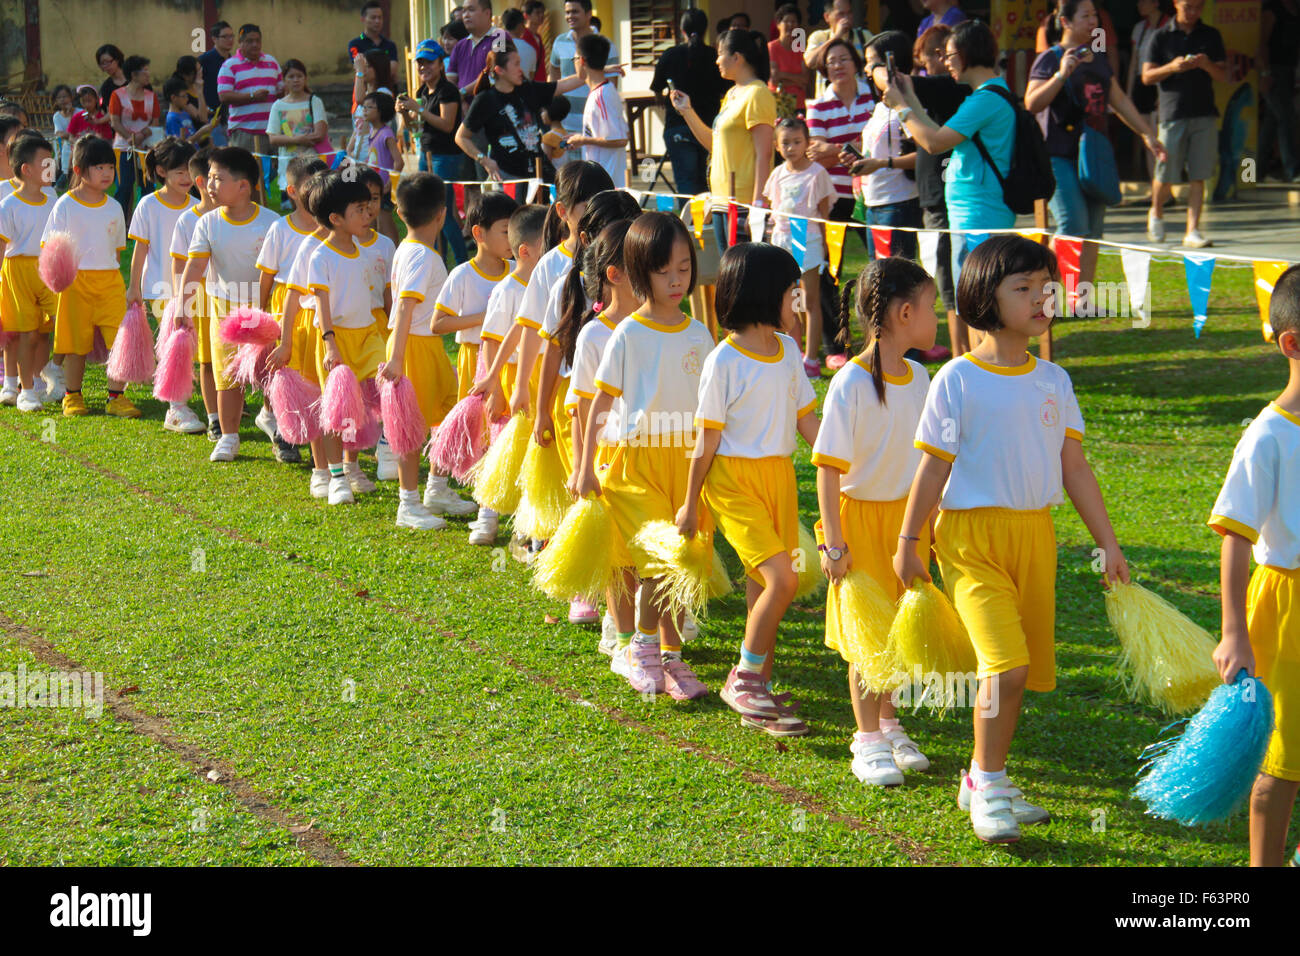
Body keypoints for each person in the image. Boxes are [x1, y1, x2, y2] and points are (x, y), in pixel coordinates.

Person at [894, 235, 1129, 844]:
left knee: (1019, 671)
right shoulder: (956, 379)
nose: (1040, 296)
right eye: (1022, 287)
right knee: (1006, 665)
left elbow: (1075, 468)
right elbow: (933, 469)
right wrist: (908, 539)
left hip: (1034, 536)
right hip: (970, 539)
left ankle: (981, 776)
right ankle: (990, 783)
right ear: (983, 297)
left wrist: (1109, 543)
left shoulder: (1054, 379)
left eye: (1045, 284)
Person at [679, 242, 820, 732]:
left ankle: (757, 688)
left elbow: (808, 420)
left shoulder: (788, 351)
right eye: (792, 294)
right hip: (733, 481)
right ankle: (743, 678)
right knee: (785, 580)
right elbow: (706, 438)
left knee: (764, 584)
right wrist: (689, 502)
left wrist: (844, 465)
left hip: (778, 477)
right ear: (766, 295)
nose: (798, 303)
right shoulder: (724, 360)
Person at [573, 213, 715, 699]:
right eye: (663, 271)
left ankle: (673, 660)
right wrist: (583, 467)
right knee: (657, 562)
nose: (677, 281)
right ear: (637, 274)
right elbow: (599, 405)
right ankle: (642, 647)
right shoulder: (627, 335)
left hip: (687, 465)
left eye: (684, 268)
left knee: (680, 565)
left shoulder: (700, 335)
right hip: (636, 466)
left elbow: (713, 410)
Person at [814, 257, 938, 784]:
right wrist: (834, 545)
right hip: (858, 524)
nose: (939, 316)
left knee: (898, 630)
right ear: (905, 313)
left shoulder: (923, 376)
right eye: (933, 307)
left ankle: (888, 722)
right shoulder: (850, 382)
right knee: (868, 638)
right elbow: (827, 469)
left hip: (909, 522)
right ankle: (866, 739)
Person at [1208, 263, 1300, 867]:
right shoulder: (1267, 436)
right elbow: (1236, 537)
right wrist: (1235, 631)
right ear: (1293, 344)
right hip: (1286, 611)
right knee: (1283, 759)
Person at [1025, 0, 1165, 313]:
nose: (1092, 21)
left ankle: (1081, 302)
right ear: (1065, 21)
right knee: (1073, 223)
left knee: (1094, 230)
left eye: (1095, 15)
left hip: (1094, 154)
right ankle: (1049, 299)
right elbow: (1032, 103)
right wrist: (1061, 75)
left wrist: (1147, 135)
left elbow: (1120, 101)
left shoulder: (1099, 59)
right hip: (1058, 155)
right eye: (1086, 15)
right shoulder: (1050, 59)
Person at [884, 21, 1015, 302]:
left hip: (978, 214)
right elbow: (935, 132)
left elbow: (932, 143)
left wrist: (900, 107)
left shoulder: (984, 101)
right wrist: (909, 97)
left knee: (979, 300)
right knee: (973, 298)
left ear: (967, 54)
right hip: (973, 212)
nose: (946, 62)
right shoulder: (986, 96)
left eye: (950, 55)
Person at [178, 146, 279, 463]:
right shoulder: (207, 223)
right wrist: (183, 305)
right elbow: (194, 267)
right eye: (209, 177)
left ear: (244, 186)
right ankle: (228, 436)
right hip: (223, 310)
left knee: (270, 372)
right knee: (227, 376)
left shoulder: (272, 223)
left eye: (218, 178)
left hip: (264, 309)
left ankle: (275, 424)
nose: (209, 185)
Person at [382, 172, 464, 530]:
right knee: (411, 428)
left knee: (445, 416)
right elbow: (403, 307)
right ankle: (408, 504)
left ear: (400, 213)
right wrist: (398, 359)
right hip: (411, 347)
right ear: (442, 214)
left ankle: (437, 488)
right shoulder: (422, 257)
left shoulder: (412, 250)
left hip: (425, 347)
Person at [298, 172, 384, 503]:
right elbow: (321, 304)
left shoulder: (363, 249)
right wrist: (330, 341)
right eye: (359, 209)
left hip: (369, 336)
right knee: (336, 410)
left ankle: (384, 451)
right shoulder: (321, 256)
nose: (368, 215)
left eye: (369, 207)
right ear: (335, 218)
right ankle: (336, 476)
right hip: (337, 339)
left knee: (388, 386)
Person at [42, 134, 133, 418]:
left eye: (110, 167)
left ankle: (116, 396)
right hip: (75, 284)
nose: (107, 173)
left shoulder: (115, 207)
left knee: (118, 340)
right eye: (99, 167)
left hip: (110, 283)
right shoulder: (65, 206)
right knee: (75, 342)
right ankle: (73, 395)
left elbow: (118, 252)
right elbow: (51, 249)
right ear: (79, 170)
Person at [670, 29, 776, 252]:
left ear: (736, 57)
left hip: (743, 203)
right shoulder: (732, 94)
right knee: (730, 276)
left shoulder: (758, 94)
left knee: (744, 276)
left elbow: (764, 154)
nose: (716, 60)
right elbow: (714, 145)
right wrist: (687, 111)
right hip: (721, 201)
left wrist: (758, 205)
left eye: (720, 54)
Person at [125, 137, 202, 431]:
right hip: (159, 287)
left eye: (189, 172)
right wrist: (133, 286)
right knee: (174, 343)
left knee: (191, 345)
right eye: (179, 172)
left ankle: (196, 398)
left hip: (192, 289)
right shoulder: (148, 205)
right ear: (161, 172)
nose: (186, 178)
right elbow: (140, 249)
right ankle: (176, 408)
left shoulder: (198, 208)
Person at [258, 154, 328, 461]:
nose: (317, 192)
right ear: (292, 191)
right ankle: (284, 432)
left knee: (314, 373)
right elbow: (267, 275)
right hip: (286, 305)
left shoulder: (335, 229)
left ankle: (317, 437)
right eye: (310, 186)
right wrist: (260, 318)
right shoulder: (280, 228)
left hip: (319, 307)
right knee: (286, 371)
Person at [1142, 0, 1226, 249]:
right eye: (1188, 6)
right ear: (1176, 4)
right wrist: (1172, 66)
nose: (1193, 12)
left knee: (1199, 174)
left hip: (1204, 111)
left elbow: (1223, 74)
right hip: (1172, 111)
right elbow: (1146, 76)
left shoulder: (1210, 35)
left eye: (1198, 7)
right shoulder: (1160, 36)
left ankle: (1193, 229)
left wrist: (1205, 64)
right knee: (1165, 170)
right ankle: (1156, 213)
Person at [764, 118, 835, 378]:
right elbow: (774, 210)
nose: (791, 148)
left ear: (807, 142)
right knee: (788, 300)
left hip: (809, 240)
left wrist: (827, 247)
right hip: (782, 241)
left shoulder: (817, 174)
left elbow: (825, 215)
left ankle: (812, 359)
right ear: (777, 146)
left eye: (797, 142)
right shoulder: (777, 174)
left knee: (810, 301)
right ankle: (792, 353)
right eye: (785, 143)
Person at [433, 190, 516, 407]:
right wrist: (484, 318)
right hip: (473, 357)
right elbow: (438, 323)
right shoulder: (462, 275)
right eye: (506, 231)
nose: (514, 239)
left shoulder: (517, 271)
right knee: (478, 423)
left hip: (509, 357)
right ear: (478, 233)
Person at [457, 47, 590, 181]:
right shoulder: (485, 99)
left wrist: (593, 72)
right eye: (516, 64)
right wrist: (484, 160)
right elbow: (461, 137)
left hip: (538, 172)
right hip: (508, 175)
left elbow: (563, 84)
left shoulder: (527, 89)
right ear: (499, 70)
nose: (521, 69)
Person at [851, 33, 922, 263]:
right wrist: (858, 162)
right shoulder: (881, 105)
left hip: (898, 203)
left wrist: (883, 164)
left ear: (891, 63)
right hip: (873, 203)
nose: (867, 69)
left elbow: (925, 153)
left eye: (872, 61)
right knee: (879, 278)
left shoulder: (908, 103)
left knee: (895, 281)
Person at [0, 134, 58, 411]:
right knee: (25, 332)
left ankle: (38, 379)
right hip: (18, 272)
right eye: (46, 163)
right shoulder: (8, 205)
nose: (52, 168)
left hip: (47, 269)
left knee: (47, 330)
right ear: (27, 169)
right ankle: (25, 390)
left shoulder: (53, 198)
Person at [398, 41, 468, 263]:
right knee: (430, 211)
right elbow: (415, 128)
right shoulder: (422, 91)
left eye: (429, 62)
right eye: (420, 63)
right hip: (426, 153)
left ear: (440, 64)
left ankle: (461, 262)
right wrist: (404, 113)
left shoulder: (447, 91)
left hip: (445, 156)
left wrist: (417, 109)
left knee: (443, 214)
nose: (423, 68)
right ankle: (437, 261)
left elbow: (447, 124)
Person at [807, 36, 872, 271]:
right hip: (833, 194)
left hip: (871, 191)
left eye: (844, 59)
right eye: (831, 61)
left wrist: (831, 148)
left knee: (881, 260)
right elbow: (816, 156)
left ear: (856, 63)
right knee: (831, 265)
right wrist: (855, 147)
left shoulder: (873, 97)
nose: (838, 65)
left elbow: (877, 145)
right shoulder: (818, 106)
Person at [170, 147, 220, 437]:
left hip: (228, 295)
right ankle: (214, 416)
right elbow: (179, 266)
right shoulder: (187, 220)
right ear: (202, 182)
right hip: (200, 298)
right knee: (207, 359)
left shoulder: (232, 217)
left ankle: (232, 406)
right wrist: (182, 305)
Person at [651, 9, 728, 198]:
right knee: (705, 182)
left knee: (686, 184)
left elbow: (656, 89)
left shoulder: (670, 55)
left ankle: (687, 226)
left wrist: (667, 101)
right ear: (705, 29)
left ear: (681, 30)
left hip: (678, 126)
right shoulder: (715, 57)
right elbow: (725, 91)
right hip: (708, 127)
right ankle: (705, 224)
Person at [217, 24, 282, 169]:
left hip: (272, 131)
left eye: (258, 40)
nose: (255, 44)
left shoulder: (272, 62)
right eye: (250, 41)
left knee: (273, 174)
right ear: (240, 43)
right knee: (245, 174)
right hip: (244, 133)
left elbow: (282, 91)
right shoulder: (229, 66)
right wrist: (253, 96)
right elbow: (224, 96)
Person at [567, 33, 628, 187]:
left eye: (574, 60)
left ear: (581, 61)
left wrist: (583, 140)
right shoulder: (602, 91)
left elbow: (619, 139)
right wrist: (583, 138)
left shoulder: (602, 96)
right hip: (601, 178)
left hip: (607, 178)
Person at [550, 0, 619, 136]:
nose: (570, 16)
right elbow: (554, 70)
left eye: (575, 11)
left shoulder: (606, 46)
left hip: (595, 125)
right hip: (565, 124)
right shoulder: (559, 42)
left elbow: (611, 85)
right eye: (567, 12)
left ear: (589, 14)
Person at [106, 55, 157, 224]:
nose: (148, 74)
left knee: (148, 186)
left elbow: (155, 122)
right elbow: (115, 121)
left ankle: (144, 223)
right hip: (124, 148)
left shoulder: (151, 96)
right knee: (124, 186)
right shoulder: (117, 95)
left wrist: (141, 136)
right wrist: (130, 138)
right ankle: (120, 223)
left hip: (146, 148)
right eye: (145, 70)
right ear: (133, 74)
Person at [267, 59, 329, 195]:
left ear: (305, 79)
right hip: (288, 161)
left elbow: (319, 133)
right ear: (284, 80)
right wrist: (299, 139)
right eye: (291, 76)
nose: (296, 80)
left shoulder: (315, 101)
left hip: (312, 160)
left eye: (299, 76)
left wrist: (288, 138)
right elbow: (273, 138)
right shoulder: (278, 105)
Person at [1128, 0, 1170, 180]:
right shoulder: (1139, 28)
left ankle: (1163, 183)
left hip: (1160, 83)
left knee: (1159, 136)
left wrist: (1163, 93)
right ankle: (1154, 183)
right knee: (1147, 138)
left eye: (1143, 1)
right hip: (1141, 82)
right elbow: (1133, 61)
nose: (1139, 5)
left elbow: (1169, 61)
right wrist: (1128, 93)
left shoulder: (1169, 25)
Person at [1259, 0, 1300, 182]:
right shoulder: (1272, 10)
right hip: (1273, 71)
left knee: (1271, 122)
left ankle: (1253, 173)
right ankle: (1293, 170)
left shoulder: (1296, 9)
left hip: (1289, 70)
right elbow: (1262, 44)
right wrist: (1265, 73)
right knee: (1286, 118)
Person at [804, 0, 874, 99]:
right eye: (841, 14)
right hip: (828, 106)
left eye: (849, 13)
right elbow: (810, 62)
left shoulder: (864, 36)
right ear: (827, 17)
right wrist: (836, 37)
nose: (846, 18)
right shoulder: (819, 37)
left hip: (861, 103)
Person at [447, 0, 507, 97]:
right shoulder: (460, 45)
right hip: (462, 108)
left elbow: (495, 74)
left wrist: (462, 93)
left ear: (487, 13)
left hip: (491, 107)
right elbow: (450, 79)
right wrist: (459, 102)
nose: (466, 15)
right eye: (464, 11)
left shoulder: (499, 37)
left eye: (471, 10)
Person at [348, 50, 395, 163]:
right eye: (363, 66)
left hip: (374, 159)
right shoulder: (365, 93)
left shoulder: (384, 93)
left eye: (367, 66)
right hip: (358, 158)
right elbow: (359, 125)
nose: (364, 70)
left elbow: (360, 100)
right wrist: (350, 147)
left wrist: (359, 72)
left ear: (378, 69)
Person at [767, 4, 810, 119]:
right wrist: (797, 81)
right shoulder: (771, 48)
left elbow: (805, 80)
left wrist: (783, 77)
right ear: (778, 24)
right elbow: (774, 79)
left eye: (794, 22)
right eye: (787, 21)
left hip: (800, 104)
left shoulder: (800, 48)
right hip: (778, 102)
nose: (791, 25)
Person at [198, 22, 236, 145]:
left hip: (231, 117)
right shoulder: (204, 60)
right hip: (212, 118)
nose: (230, 40)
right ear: (214, 39)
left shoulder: (234, 61)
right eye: (225, 37)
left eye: (232, 36)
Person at [348, 1, 400, 81]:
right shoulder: (354, 44)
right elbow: (360, 69)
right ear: (363, 19)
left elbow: (392, 70)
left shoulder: (390, 45)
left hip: (387, 90)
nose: (377, 21)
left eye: (380, 17)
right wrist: (383, 69)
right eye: (373, 17)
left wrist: (370, 70)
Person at [172, 56, 212, 131]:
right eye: (197, 72)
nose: (201, 73)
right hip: (192, 136)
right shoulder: (182, 95)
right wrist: (200, 91)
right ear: (185, 75)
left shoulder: (195, 86)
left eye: (201, 69)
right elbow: (203, 119)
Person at [49, 86, 75, 190]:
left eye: (65, 96)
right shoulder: (57, 116)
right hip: (65, 146)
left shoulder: (79, 112)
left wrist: (71, 114)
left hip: (78, 144)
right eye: (59, 98)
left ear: (71, 97)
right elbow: (59, 133)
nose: (62, 100)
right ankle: (59, 182)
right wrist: (71, 134)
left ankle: (62, 180)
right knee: (65, 153)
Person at [503, 8, 538, 80]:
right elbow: (531, 78)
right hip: (523, 89)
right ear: (520, 25)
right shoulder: (530, 50)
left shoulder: (495, 46)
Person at [541, 97, 573, 170]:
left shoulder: (548, 137)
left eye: (543, 111)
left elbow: (546, 163)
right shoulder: (564, 133)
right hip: (565, 173)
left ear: (550, 112)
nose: (541, 114)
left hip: (553, 177)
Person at [95, 44, 129, 112]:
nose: (106, 66)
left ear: (117, 59)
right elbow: (110, 113)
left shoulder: (135, 78)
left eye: (108, 62)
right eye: (103, 63)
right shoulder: (106, 87)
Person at [522, 1, 550, 82]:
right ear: (526, 16)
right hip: (529, 84)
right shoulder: (523, 36)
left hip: (540, 82)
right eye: (537, 13)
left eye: (542, 12)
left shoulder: (538, 37)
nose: (541, 15)